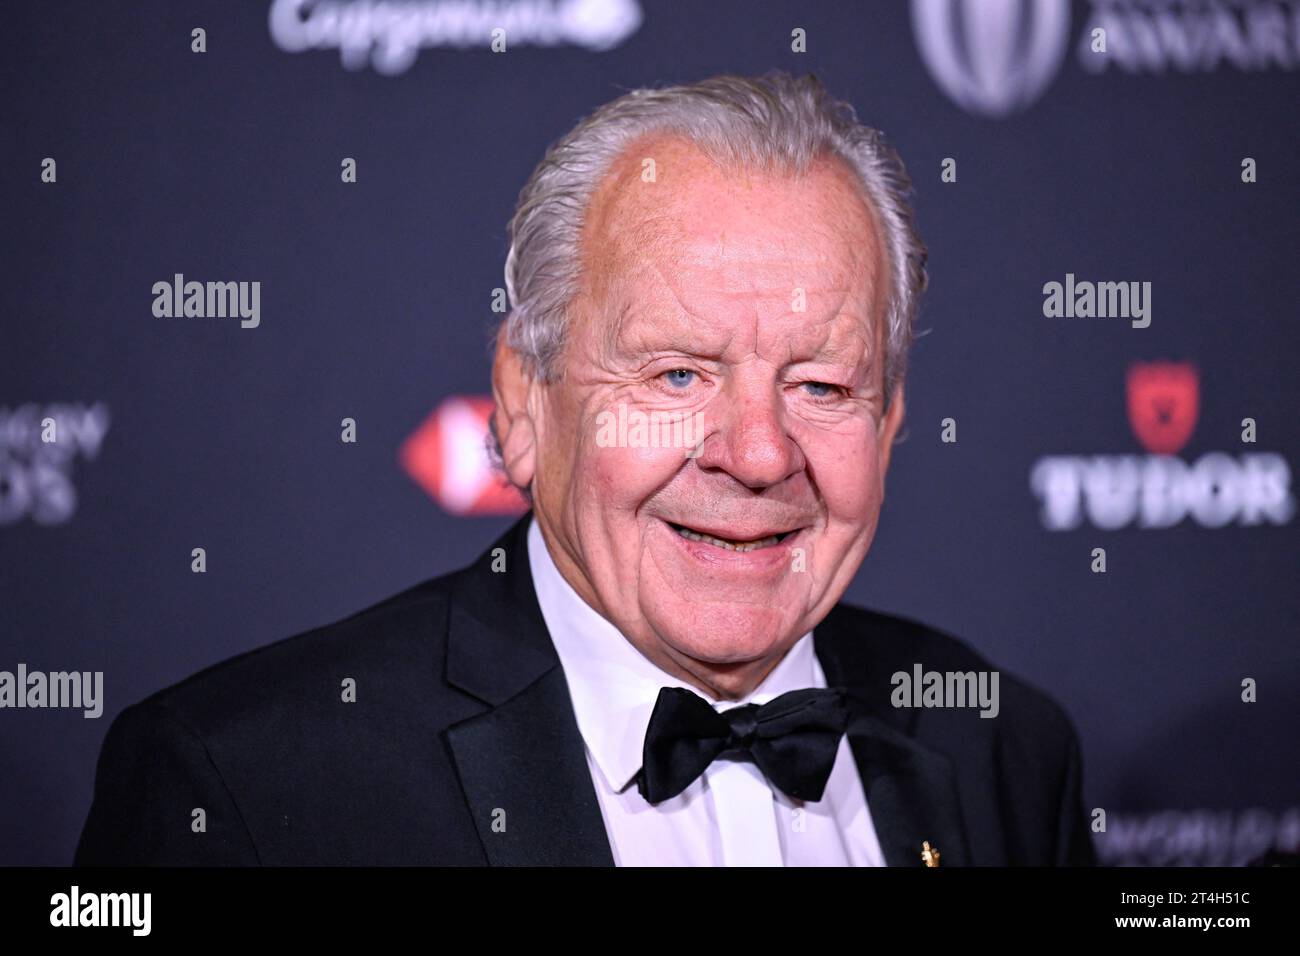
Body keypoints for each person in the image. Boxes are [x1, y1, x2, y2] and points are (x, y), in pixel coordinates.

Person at [76, 71, 1095, 867]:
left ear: (891, 419)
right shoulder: (247, 779)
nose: (756, 452)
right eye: (677, 372)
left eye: (822, 385)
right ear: (522, 403)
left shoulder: (1000, 746)